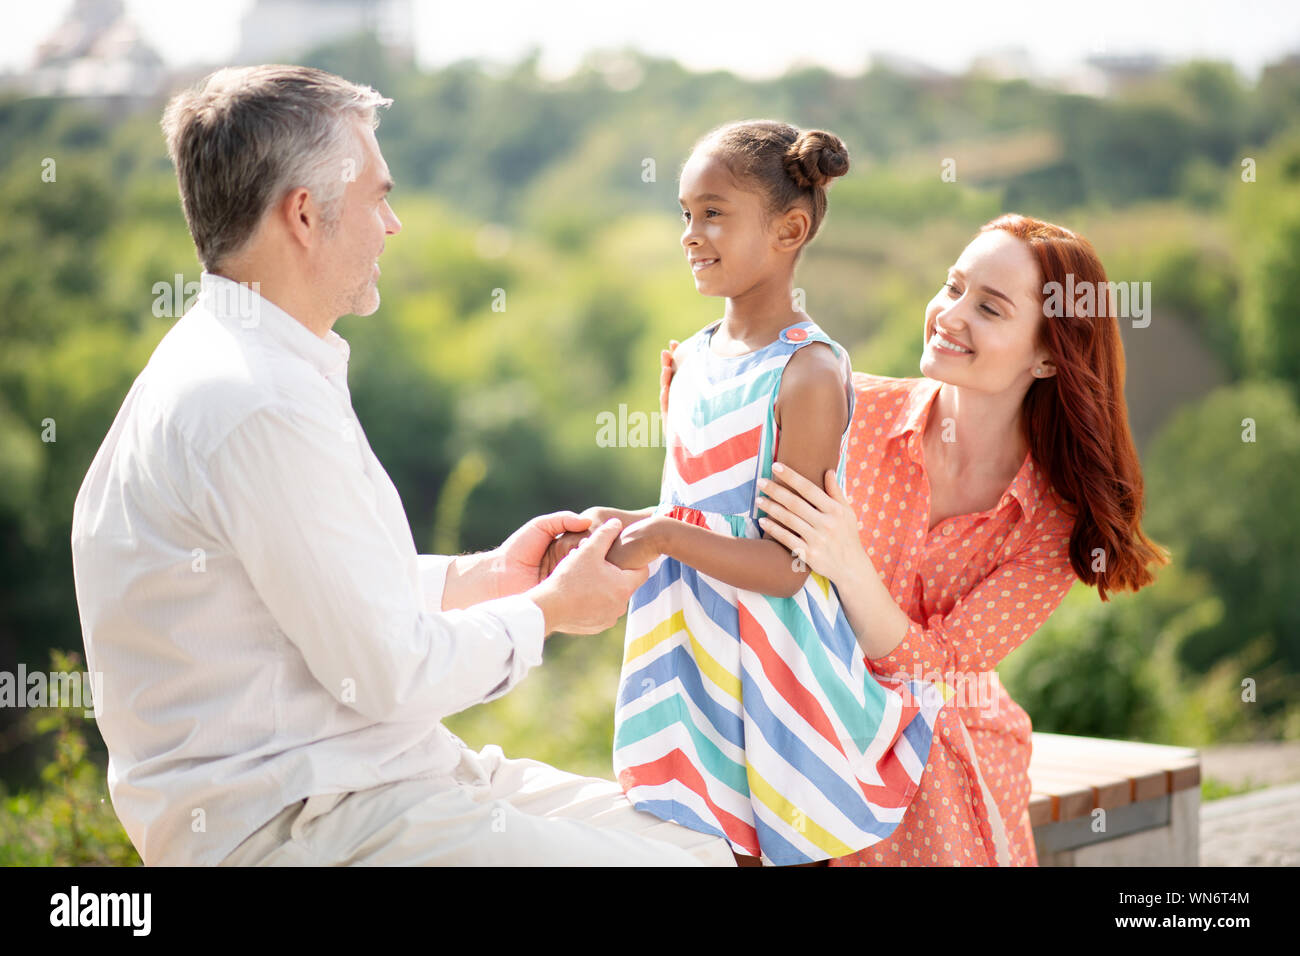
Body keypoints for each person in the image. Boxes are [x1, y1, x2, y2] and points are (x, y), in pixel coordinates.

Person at [69, 64, 736, 867]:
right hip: (305, 826)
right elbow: (386, 675)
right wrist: (552, 611)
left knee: (715, 839)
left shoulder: (251, 362)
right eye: (380, 196)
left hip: (381, 780)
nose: (393, 224)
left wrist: (488, 575)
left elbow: (315, 591)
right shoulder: (253, 400)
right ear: (306, 215)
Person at [659, 213, 1171, 865]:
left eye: (988, 307)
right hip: (798, 706)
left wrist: (848, 565)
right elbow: (732, 522)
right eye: (953, 287)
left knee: (929, 778)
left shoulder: (1054, 520)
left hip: (938, 739)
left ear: (1047, 354)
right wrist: (693, 404)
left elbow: (942, 676)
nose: (951, 315)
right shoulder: (847, 408)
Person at [546, 121, 948, 867]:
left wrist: (662, 535)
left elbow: (787, 565)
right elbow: (699, 504)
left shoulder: (808, 373)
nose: (691, 234)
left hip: (774, 674)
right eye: (685, 214)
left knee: (775, 850)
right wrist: (627, 519)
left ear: (790, 229)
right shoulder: (692, 358)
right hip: (691, 654)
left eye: (714, 213)